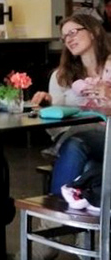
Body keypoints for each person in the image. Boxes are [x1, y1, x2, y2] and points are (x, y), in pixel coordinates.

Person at [32, 13, 111, 197]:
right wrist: (47, 106)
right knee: (82, 154)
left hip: (106, 136)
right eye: (65, 36)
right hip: (77, 141)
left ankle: (55, 214)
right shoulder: (61, 76)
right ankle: (64, 216)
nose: (69, 39)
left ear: (94, 32)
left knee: (76, 145)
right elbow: (55, 131)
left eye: (73, 32)